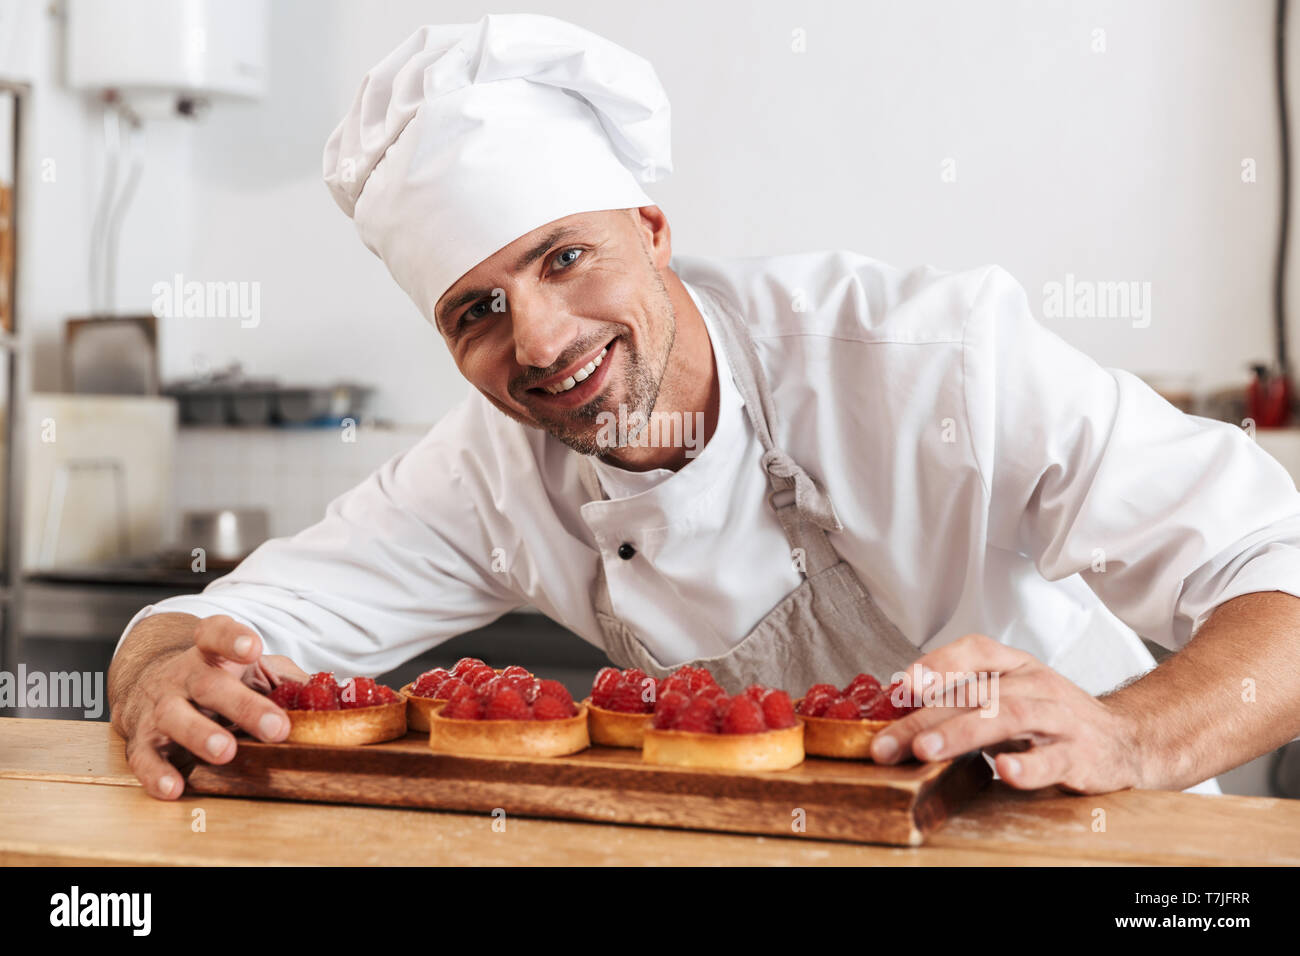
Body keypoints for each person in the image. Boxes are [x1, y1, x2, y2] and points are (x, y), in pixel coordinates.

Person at [109, 14, 1300, 801]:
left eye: (564, 258)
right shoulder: (486, 475)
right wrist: (158, 668)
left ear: (654, 231)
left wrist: (1133, 732)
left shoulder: (931, 361)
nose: (538, 340)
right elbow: (205, 626)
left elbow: (1280, 575)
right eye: (474, 309)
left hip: (1075, 840)